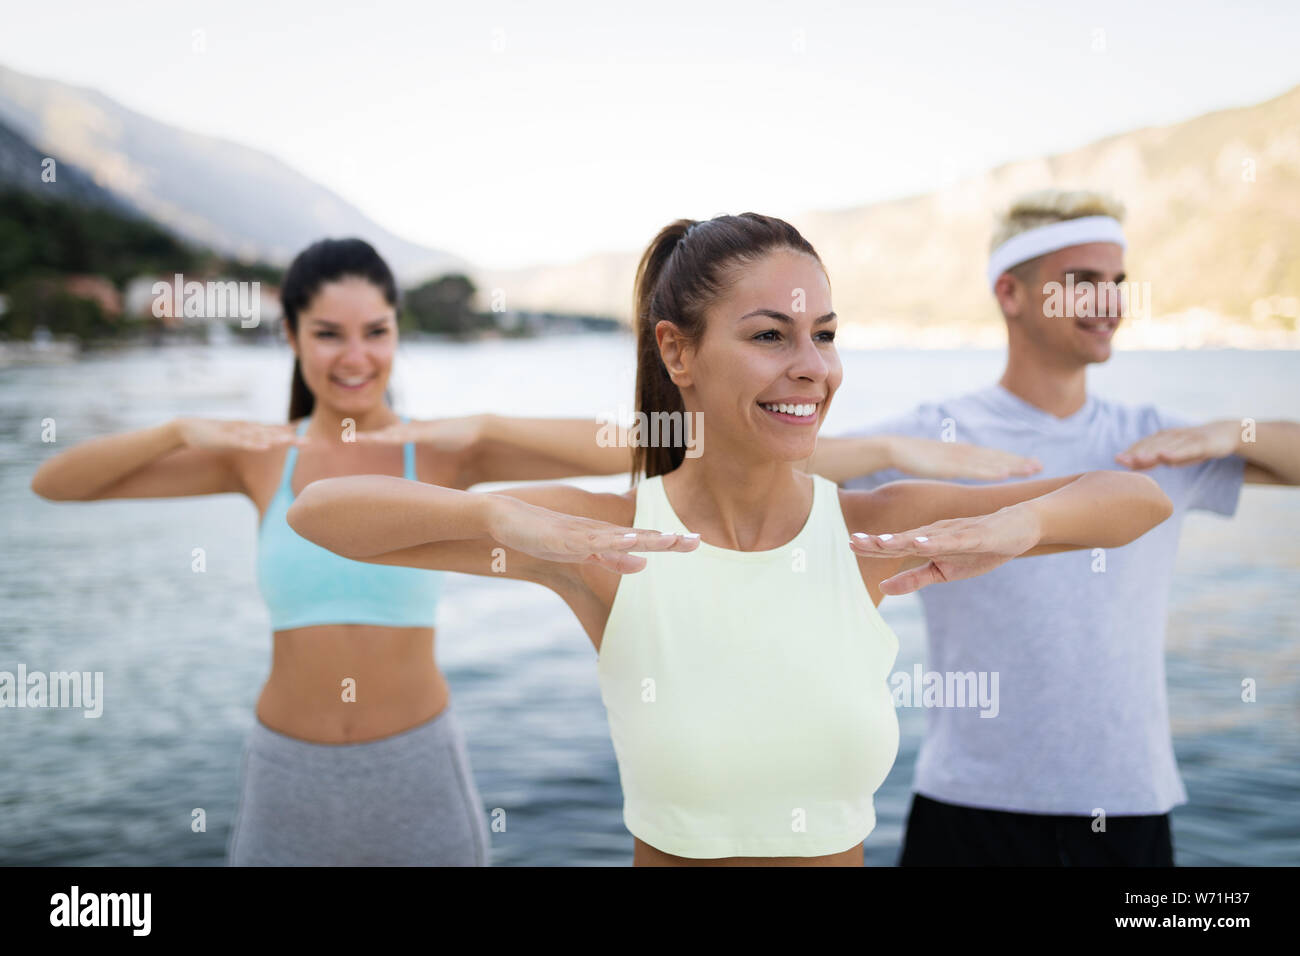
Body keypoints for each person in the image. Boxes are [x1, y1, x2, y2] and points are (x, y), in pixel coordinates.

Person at [284, 213, 1176, 867]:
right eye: (769, 336)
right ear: (678, 354)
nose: (812, 367)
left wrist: (1017, 524)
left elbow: (1134, 498)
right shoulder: (608, 540)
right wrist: (490, 517)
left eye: (824, 336)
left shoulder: (870, 527)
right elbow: (319, 509)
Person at [28, 237, 670, 866]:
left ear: (397, 334)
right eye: (329, 333)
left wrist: (489, 425)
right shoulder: (260, 454)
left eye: (376, 332)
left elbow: (654, 442)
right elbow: (55, 483)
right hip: (288, 777)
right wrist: (174, 431)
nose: (355, 356)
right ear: (292, 336)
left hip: (418, 773)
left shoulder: (445, 449)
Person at [807, 189, 1300, 866]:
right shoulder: (935, 435)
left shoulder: (1156, 442)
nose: (1111, 302)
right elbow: (755, 472)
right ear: (1010, 292)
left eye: (1119, 283)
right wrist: (888, 450)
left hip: (1129, 807)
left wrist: (1236, 431)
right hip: (967, 809)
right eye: (1083, 283)